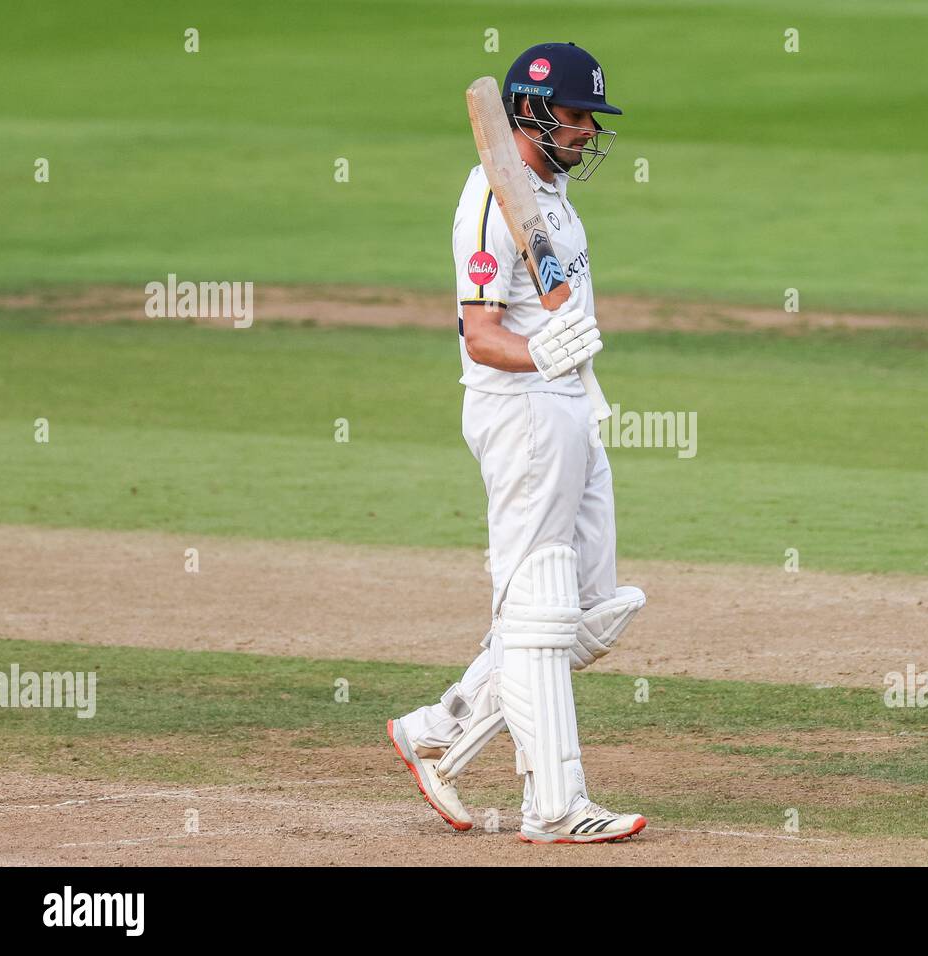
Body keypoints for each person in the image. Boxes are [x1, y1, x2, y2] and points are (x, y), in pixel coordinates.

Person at [387, 42, 648, 844]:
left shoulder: (551, 196)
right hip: (523, 412)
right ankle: (554, 806)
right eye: (576, 117)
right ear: (533, 113)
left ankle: (439, 727)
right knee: (538, 610)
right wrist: (542, 352)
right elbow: (480, 337)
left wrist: (564, 358)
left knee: (592, 612)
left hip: (573, 408)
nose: (587, 133)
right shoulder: (492, 202)